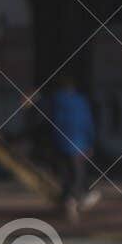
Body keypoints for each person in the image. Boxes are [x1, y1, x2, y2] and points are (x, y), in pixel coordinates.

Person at [42, 77, 99, 220]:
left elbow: (48, 121)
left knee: (66, 175)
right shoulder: (80, 102)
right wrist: (90, 144)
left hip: (59, 143)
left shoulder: (54, 101)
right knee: (77, 175)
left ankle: (69, 201)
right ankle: (72, 201)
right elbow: (88, 124)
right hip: (78, 144)